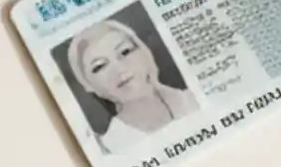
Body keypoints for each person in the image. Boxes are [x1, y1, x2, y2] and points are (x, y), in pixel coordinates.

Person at [67, 18, 199, 154]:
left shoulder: (195, 97)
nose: (119, 69)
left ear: (144, 53)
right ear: (88, 84)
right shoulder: (109, 147)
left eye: (125, 52)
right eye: (100, 66)